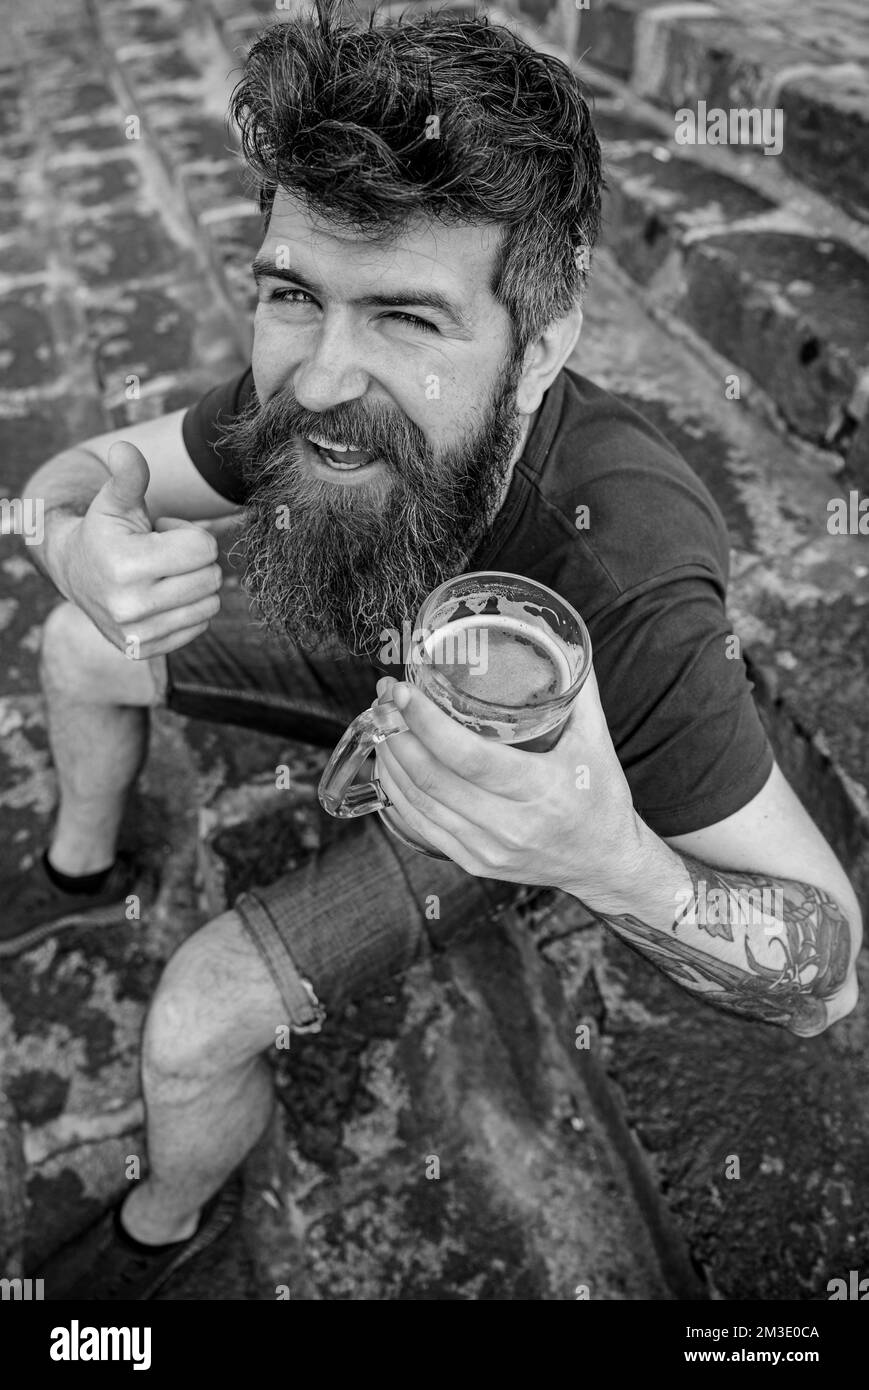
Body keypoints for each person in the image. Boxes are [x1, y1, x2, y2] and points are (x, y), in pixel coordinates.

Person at [15, 2, 861, 1300]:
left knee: (191, 1018)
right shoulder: (300, 376)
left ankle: (162, 1230)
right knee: (81, 644)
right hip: (362, 658)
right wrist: (73, 537)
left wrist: (612, 860)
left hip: (507, 787)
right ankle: (78, 877)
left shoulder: (630, 568)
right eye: (292, 290)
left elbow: (825, 964)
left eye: (408, 317)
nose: (314, 382)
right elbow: (100, 468)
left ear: (547, 342)